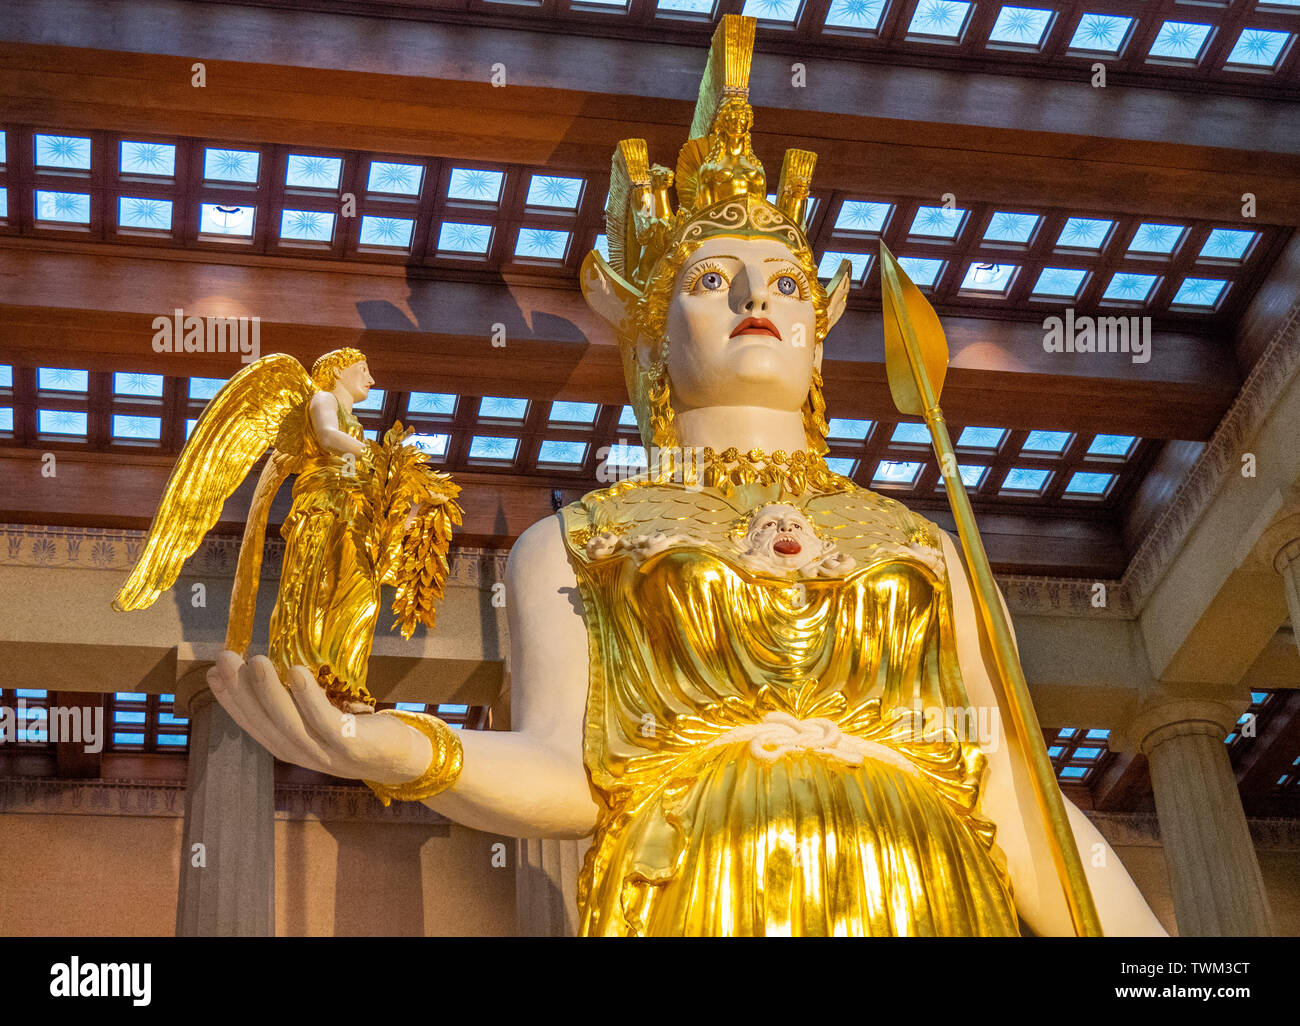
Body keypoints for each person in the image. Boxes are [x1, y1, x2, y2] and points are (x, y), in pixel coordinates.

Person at [206, 15, 1166, 936]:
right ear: (654, 339)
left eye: (786, 282)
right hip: (699, 885)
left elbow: (1013, 794)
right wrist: (403, 750)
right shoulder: (574, 541)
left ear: (817, 336)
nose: (756, 295)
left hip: (930, 885)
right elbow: (570, 772)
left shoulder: (922, 544)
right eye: (712, 279)